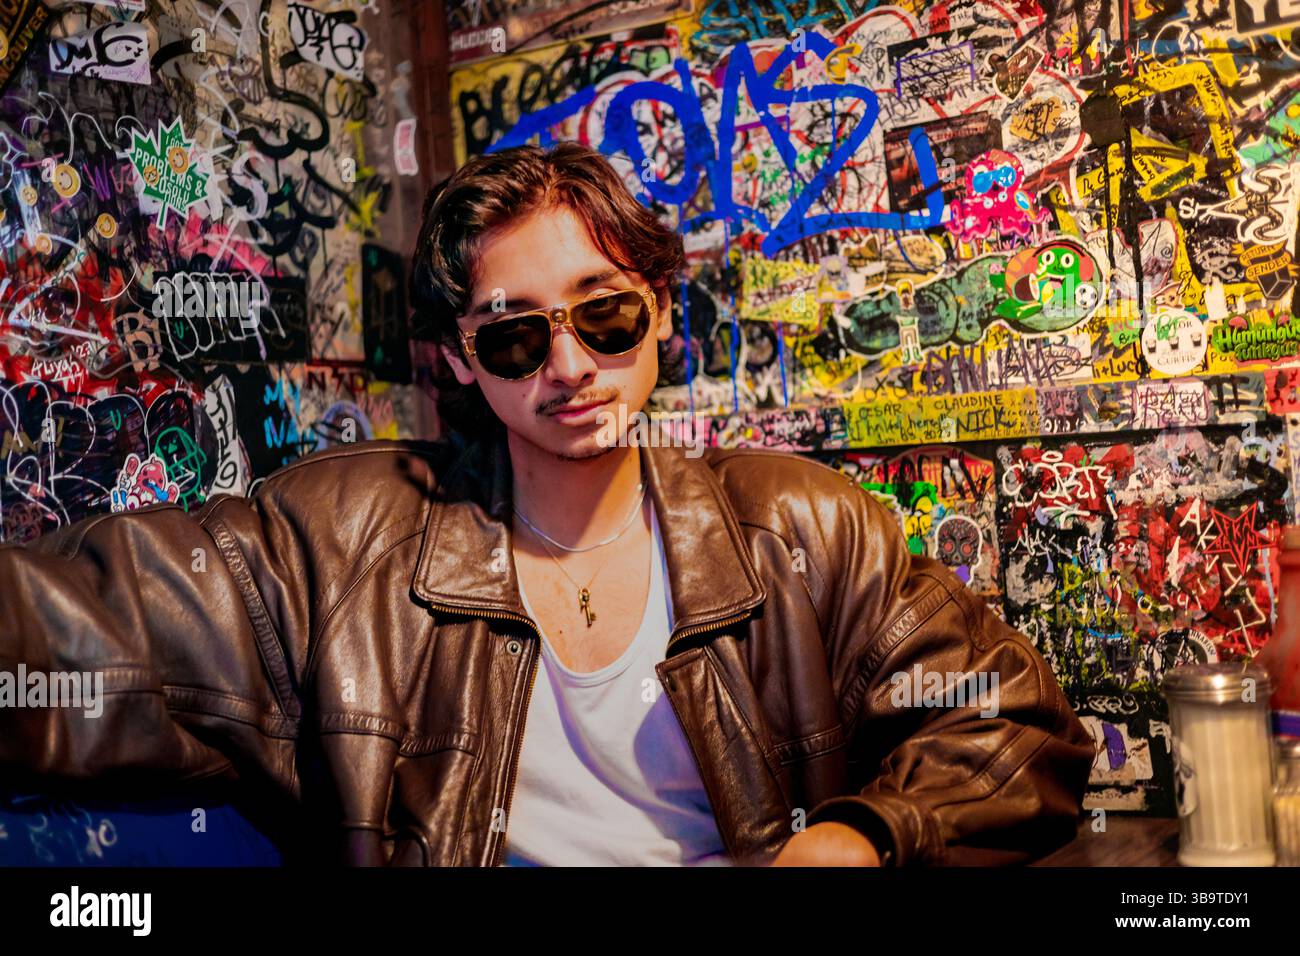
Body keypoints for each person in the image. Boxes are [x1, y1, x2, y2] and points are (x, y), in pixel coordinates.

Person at [0, 142, 1095, 867]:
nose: (567, 364)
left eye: (604, 316)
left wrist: (861, 833)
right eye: (517, 335)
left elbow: (1015, 723)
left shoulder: (803, 530)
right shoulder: (343, 541)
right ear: (466, 363)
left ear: (659, 313)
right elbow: (80, 619)